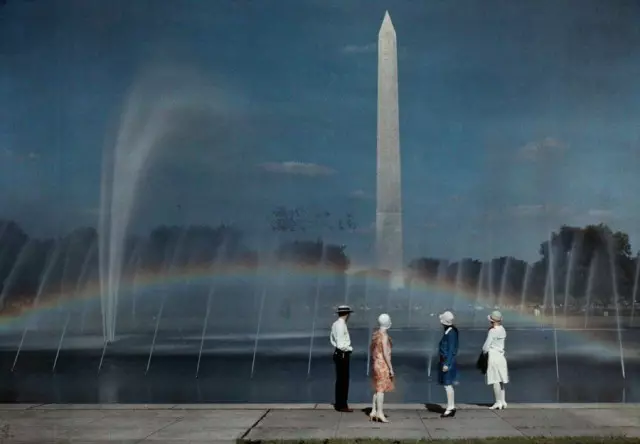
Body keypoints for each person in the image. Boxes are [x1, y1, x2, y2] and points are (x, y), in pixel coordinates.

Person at [369, 313, 394, 423]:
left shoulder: (376, 334)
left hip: (376, 363)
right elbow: (385, 354)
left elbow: (374, 351)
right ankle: (380, 412)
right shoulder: (384, 336)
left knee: (377, 388)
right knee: (381, 390)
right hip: (382, 364)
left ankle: (373, 411)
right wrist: (391, 368)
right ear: (388, 323)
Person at [483, 310, 509, 410]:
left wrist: (484, 352)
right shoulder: (503, 329)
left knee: (495, 380)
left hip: (493, 356)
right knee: (501, 379)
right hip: (501, 356)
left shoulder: (492, 331)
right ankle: (503, 401)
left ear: (492, 321)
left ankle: (497, 402)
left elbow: (486, 346)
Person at [330, 305, 354, 412]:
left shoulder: (335, 324)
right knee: (344, 380)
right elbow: (340, 343)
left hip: (338, 353)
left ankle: (339, 403)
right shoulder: (340, 325)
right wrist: (349, 348)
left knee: (340, 380)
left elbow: (332, 338)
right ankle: (342, 405)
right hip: (343, 353)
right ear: (347, 314)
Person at [437, 310, 459, 418]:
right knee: (447, 385)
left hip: (447, 361)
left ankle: (450, 407)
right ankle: (451, 407)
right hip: (445, 360)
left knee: (447, 385)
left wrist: (447, 363)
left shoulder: (451, 333)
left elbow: (451, 349)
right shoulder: (450, 331)